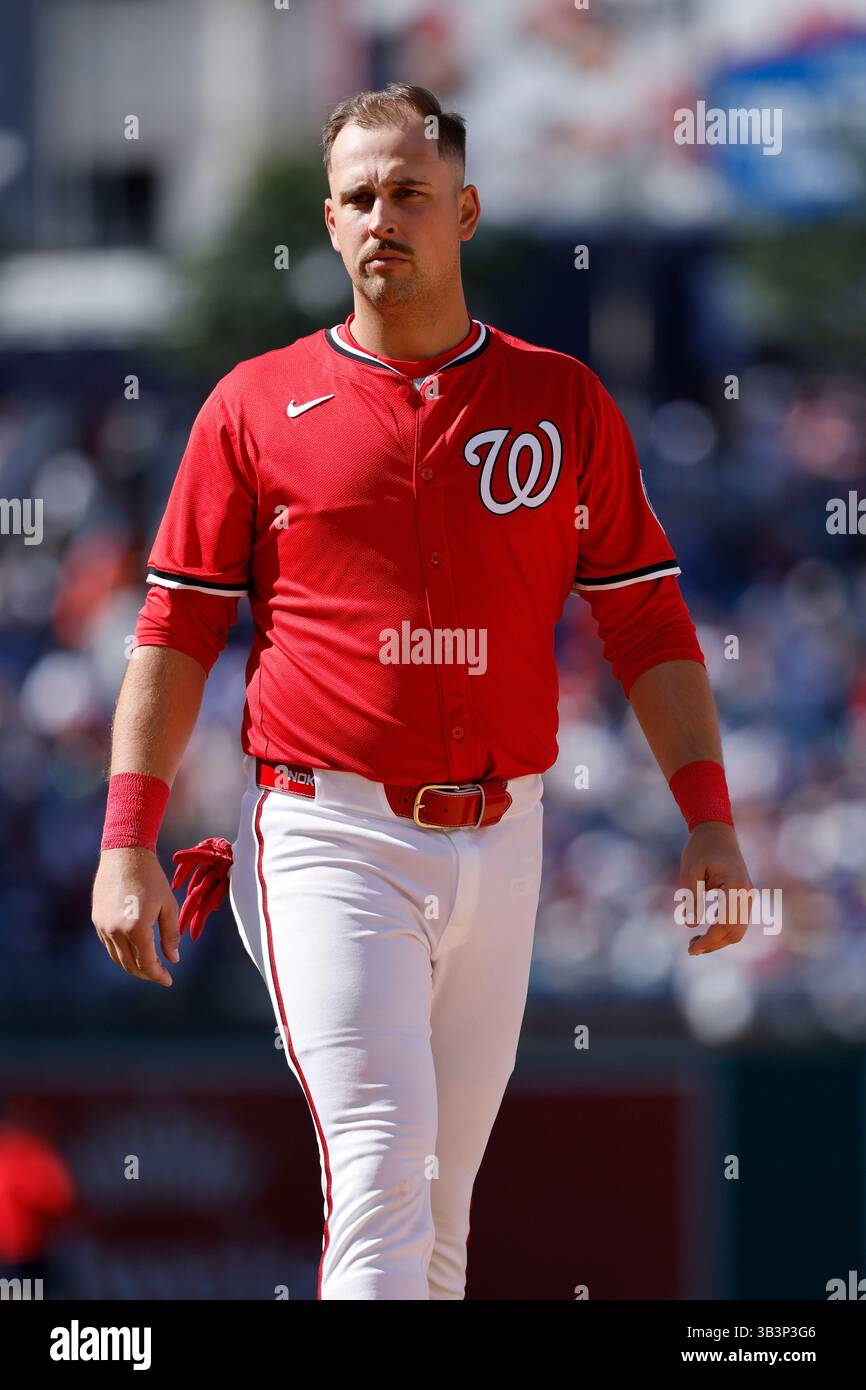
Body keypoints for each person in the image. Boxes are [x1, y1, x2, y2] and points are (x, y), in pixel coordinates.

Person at [91, 83, 753, 1301]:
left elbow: (645, 616)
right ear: (327, 221)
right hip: (327, 828)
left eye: (407, 192)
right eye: (356, 197)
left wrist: (707, 820)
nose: (380, 217)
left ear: (465, 210)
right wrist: (126, 839)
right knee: (383, 1171)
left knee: (439, 1219)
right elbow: (175, 627)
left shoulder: (559, 398)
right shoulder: (252, 403)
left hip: (505, 831)